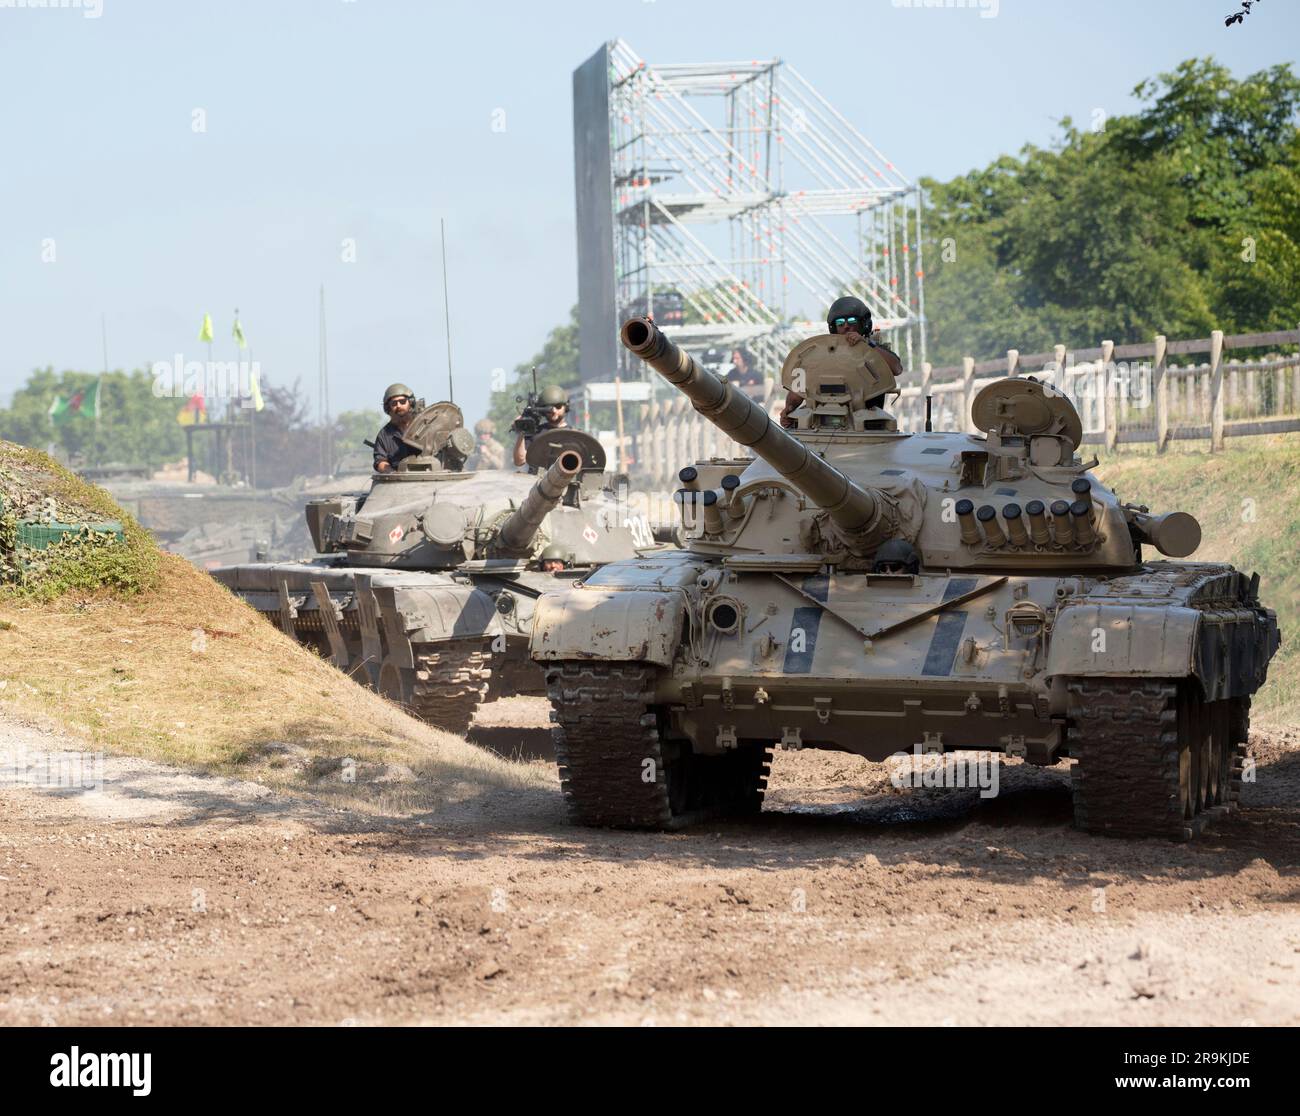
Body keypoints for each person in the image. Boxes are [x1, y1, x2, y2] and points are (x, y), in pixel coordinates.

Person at [779, 296, 904, 424]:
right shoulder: (822, 354)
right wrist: (789, 410)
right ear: (834, 327)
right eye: (840, 323)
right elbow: (799, 389)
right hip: (820, 424)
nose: (846, 326)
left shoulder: (873, 349)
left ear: (863, 324)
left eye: (851, 321)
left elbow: (896, 368)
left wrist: (866, 344)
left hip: (868, 424)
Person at [512, 384, 572, 468]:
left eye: (558, 406)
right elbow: (519, 461)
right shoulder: (536, 433)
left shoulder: (575, 435)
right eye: (549, 407)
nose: (554, 411)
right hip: (538, 479)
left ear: (566, 407)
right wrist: (521, 432)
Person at [373, 383, 421, 472]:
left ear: (410, 403)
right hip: (399, 480)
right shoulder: (384, 435)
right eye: (394, 403)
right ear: (388, 408)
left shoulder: (423, 425)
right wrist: (393, 473)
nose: (398, 406)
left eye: (402, 402)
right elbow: (380, 462)